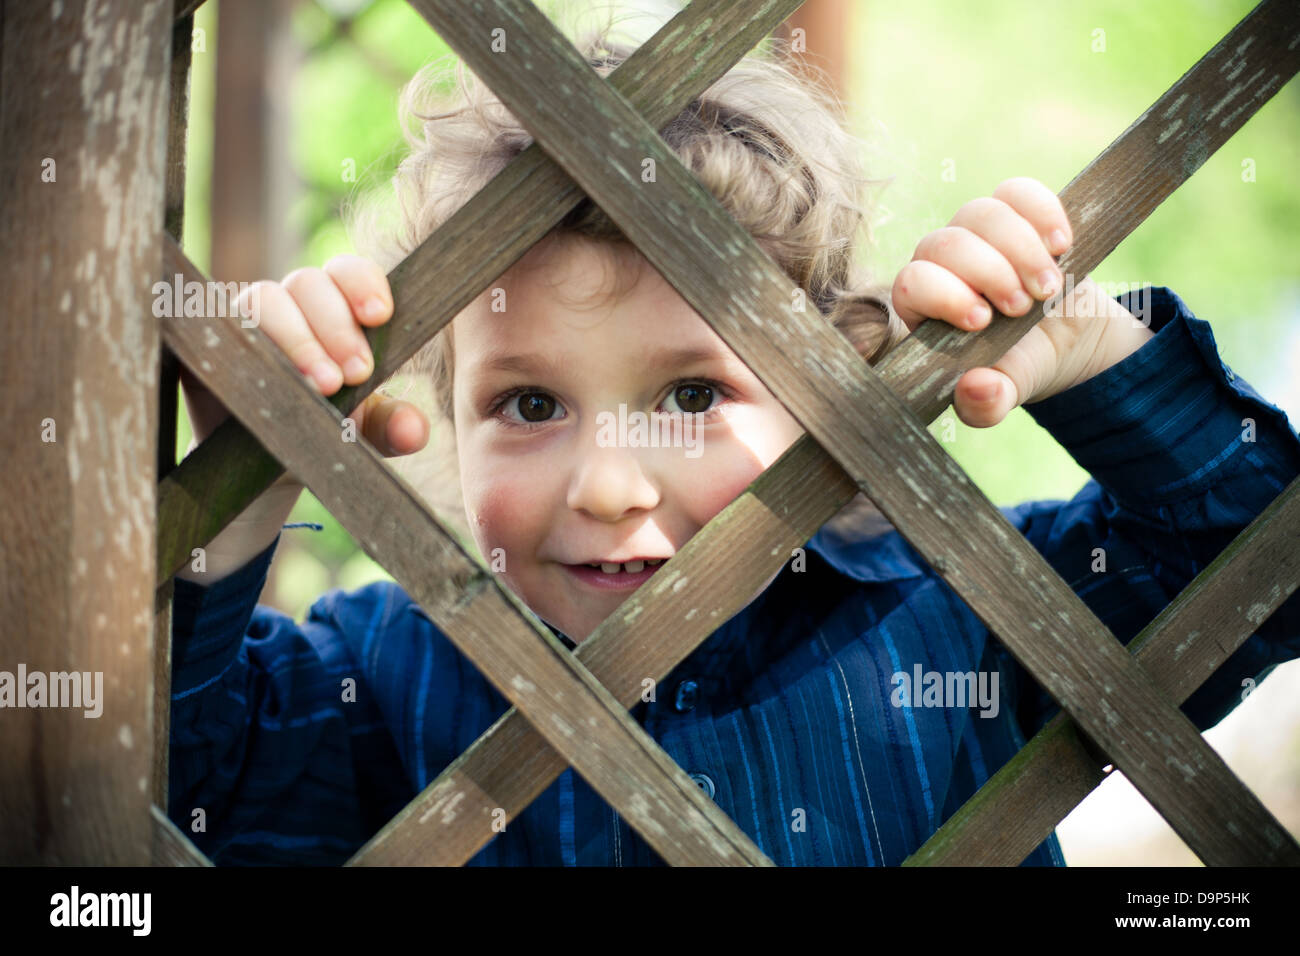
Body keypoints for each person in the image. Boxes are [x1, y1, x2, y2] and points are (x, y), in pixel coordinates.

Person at [168, 29, 1300, 866]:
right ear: (442, 407)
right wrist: (237, 486)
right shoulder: (383, 675)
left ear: (826, 392)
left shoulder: (960, 613)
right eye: (526, 406)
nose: (609, 486)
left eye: (694, 391)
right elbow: (160, 778)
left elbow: (1258, 566)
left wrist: (1088, 344)